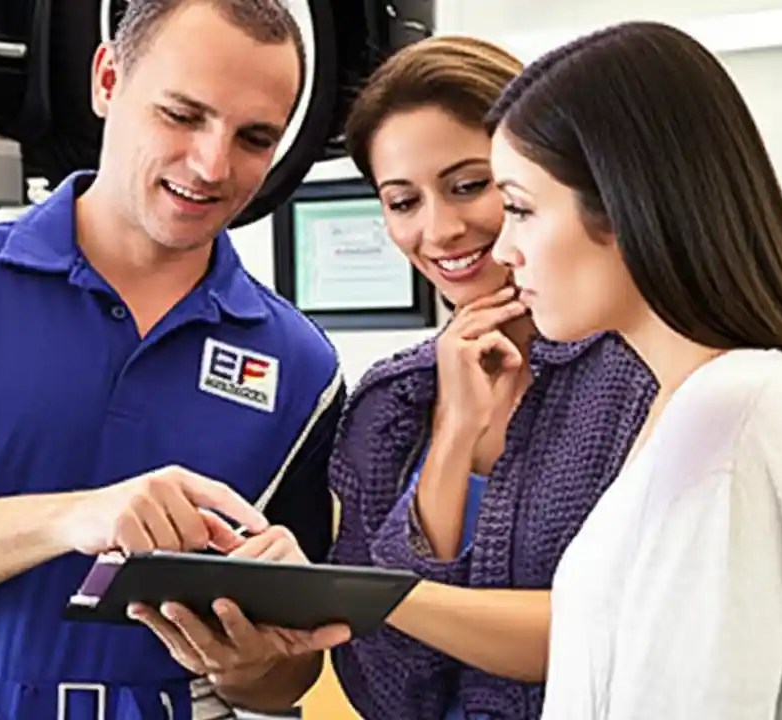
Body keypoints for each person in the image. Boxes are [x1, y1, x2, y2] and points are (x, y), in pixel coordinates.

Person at [0, 2, 351, 718]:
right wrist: (75, 519)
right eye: (182, 115)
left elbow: (284, 683)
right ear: (108, 80)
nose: (213, 165)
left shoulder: (300, 366)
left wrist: (247, 663)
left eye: (253, 137)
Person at [207, 35, 659, 719]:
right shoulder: (389, 402)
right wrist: (452, 439)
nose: (440, 229)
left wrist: (377, 597)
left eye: (470, 186)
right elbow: (381, 687)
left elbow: (638, 632)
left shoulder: (643, 372)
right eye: (402, 201)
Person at [484, 21, 782, 717]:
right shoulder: (698, 405)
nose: (504, 247)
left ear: (623, 203)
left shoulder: (736, 410)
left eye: (521, 209)